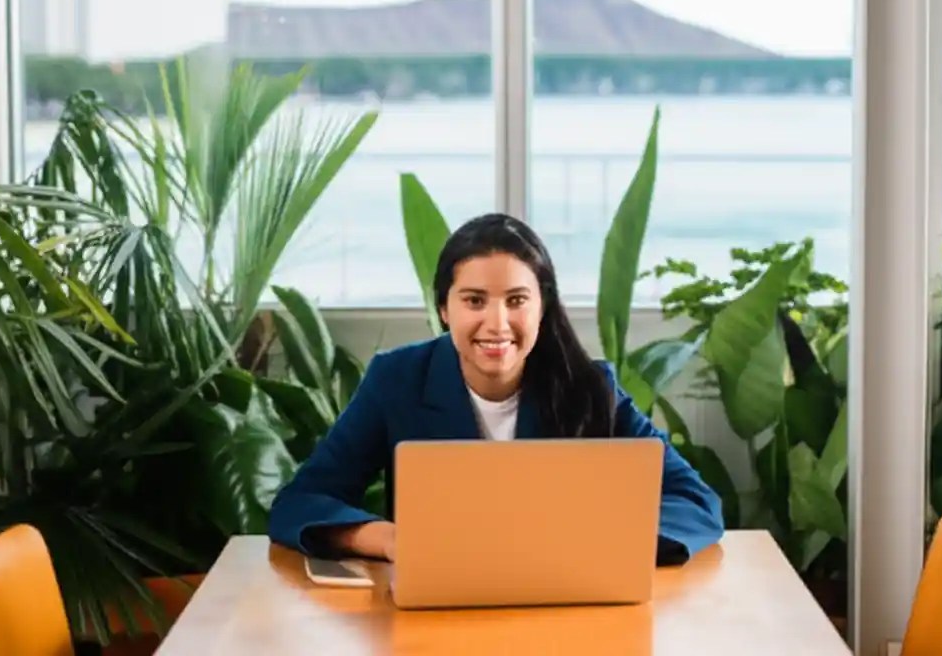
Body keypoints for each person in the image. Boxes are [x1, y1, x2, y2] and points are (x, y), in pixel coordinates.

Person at [267, 213, 724, 566]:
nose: (497, 324)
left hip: (562, 606)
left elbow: (696, 502)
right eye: (474, 301)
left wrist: (595, 544)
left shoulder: (590, 387)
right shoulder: (396, 380)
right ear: (444, 308)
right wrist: (390, 539)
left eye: (517, 300)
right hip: (437, 610)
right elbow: (300, 502)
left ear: (542, 307)